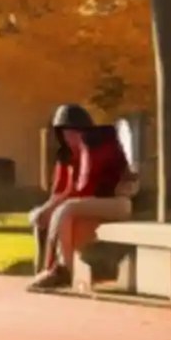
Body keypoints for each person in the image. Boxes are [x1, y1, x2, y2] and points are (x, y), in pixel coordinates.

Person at [28, 104, 133, 290]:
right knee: (42, 217)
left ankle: (64, 269)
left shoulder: (95, 146)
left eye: (69, 132)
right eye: (63, 133)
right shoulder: (66, 156)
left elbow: (85, 188)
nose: (67, 138)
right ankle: (44, 269)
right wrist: (45, 209)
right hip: (89, 204)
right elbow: (61, 190)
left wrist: (54, 206)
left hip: (116, 202)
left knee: (63, 210)